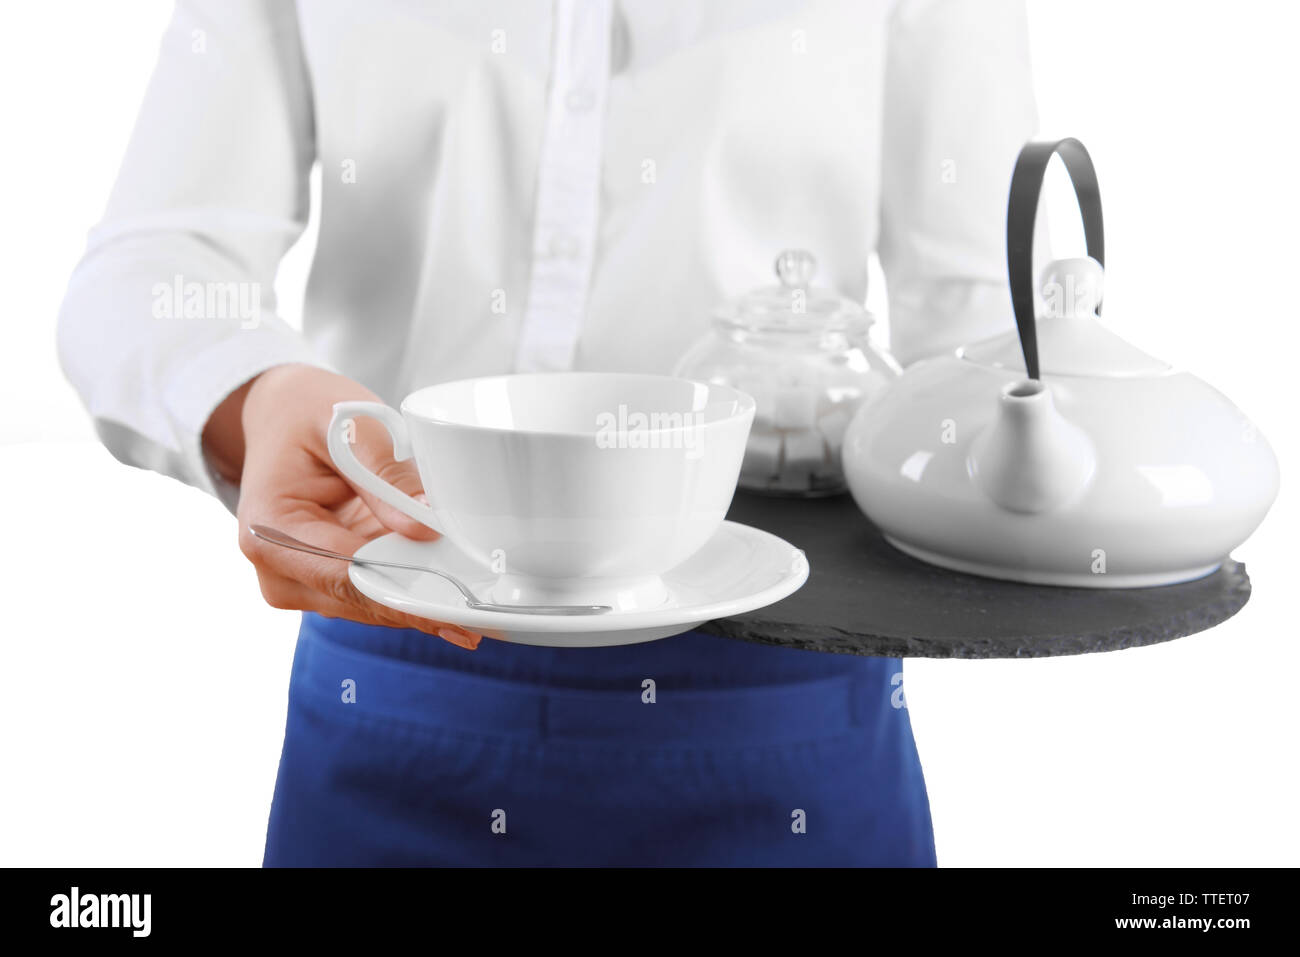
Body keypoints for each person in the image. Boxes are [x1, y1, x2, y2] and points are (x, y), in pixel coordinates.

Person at [58, 0, 1038, 866]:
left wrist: (1046, 453)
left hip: (785, 703)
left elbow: (981, 313)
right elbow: (154, 253)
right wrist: (252, 394)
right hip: (399, 659)